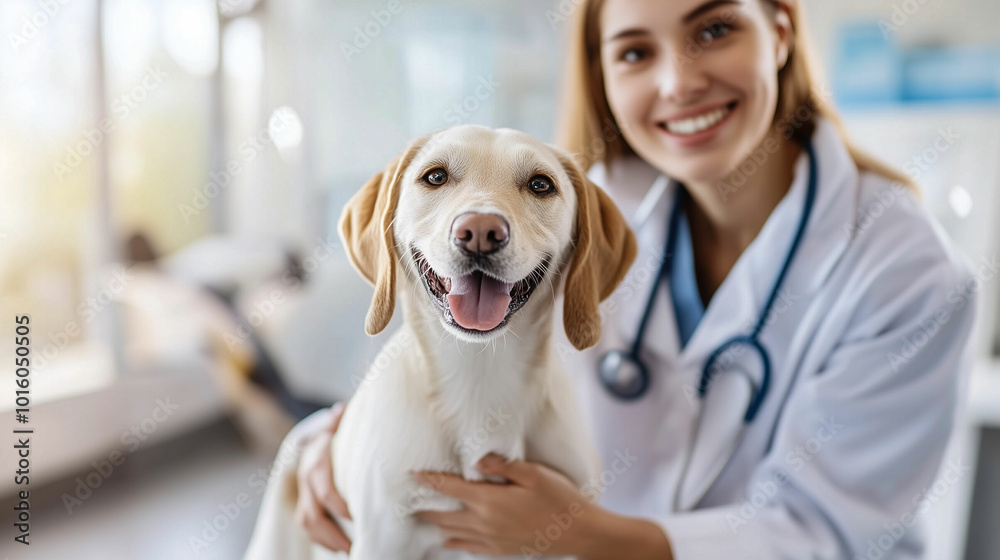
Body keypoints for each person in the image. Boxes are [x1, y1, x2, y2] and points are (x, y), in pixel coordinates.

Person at [288, 0, 978, 558]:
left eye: (714, 28)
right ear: (605, 80)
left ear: (780, 30)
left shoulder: (905, 273)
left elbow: (828, 531)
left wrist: (587, 534)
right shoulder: (575, 213)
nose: (678, 81)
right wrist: (328, 446)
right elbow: (453, 375)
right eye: (635, 52)